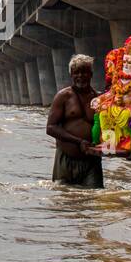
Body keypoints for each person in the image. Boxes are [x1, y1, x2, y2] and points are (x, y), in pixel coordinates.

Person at [46, 54, 104, 188]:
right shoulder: (63, 96)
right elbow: (50, 128)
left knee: (96, 199)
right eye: (76, 72)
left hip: (92, 161)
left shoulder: (99, 98)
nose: (80, 76)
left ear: (91, 74)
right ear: (71, 75)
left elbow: (107, 127)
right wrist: (79, 142)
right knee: (66, 200)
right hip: (66, 160)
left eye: (84, 72)